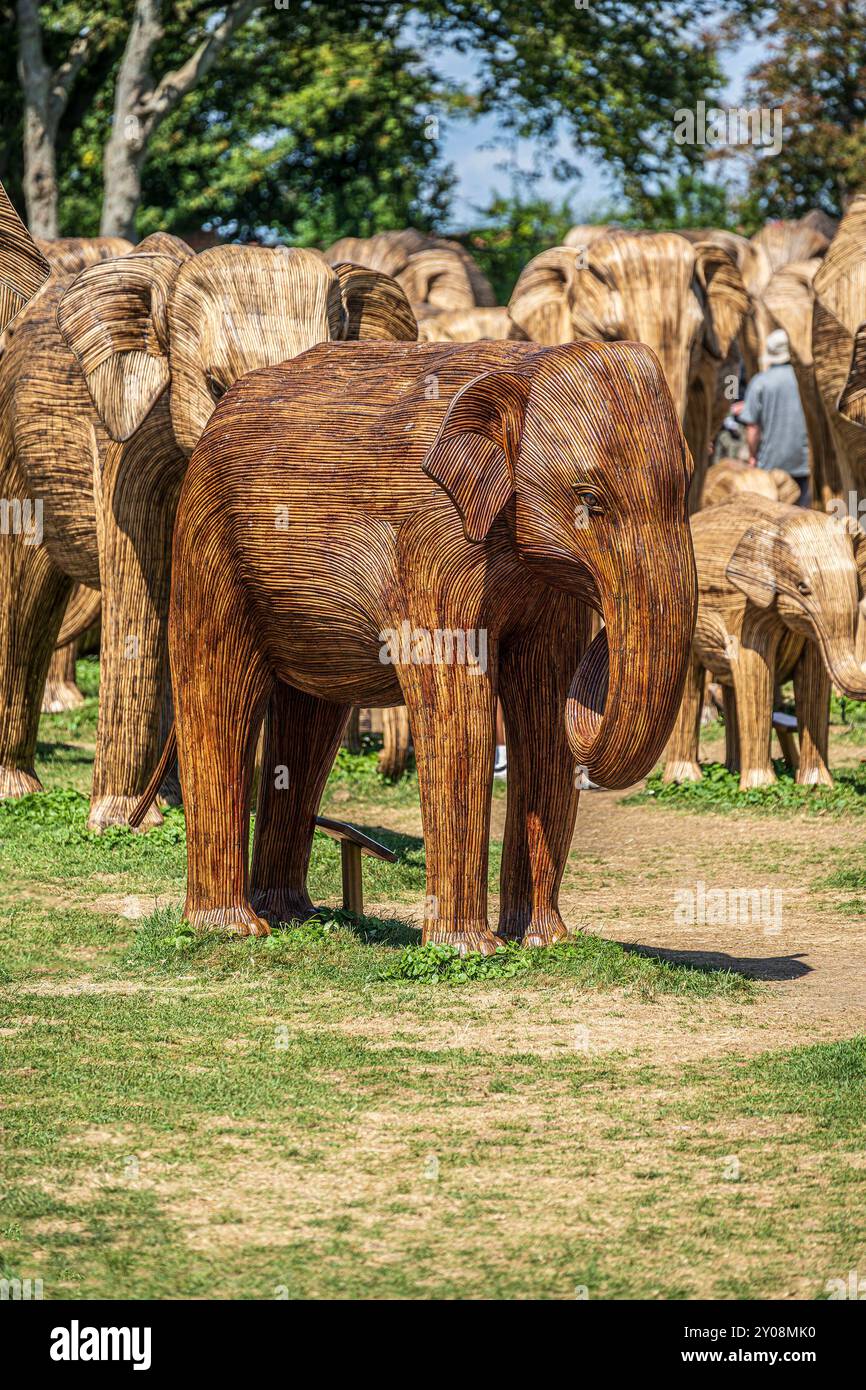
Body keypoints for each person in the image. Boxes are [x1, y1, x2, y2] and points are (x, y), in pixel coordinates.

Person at [740, 328, 811, 505]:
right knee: (801, 519)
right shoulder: (805, 381)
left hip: (770, 463)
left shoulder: (760, 382)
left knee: (772, 519)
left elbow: (752, 427)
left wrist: (752, 455)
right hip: (802, 462)